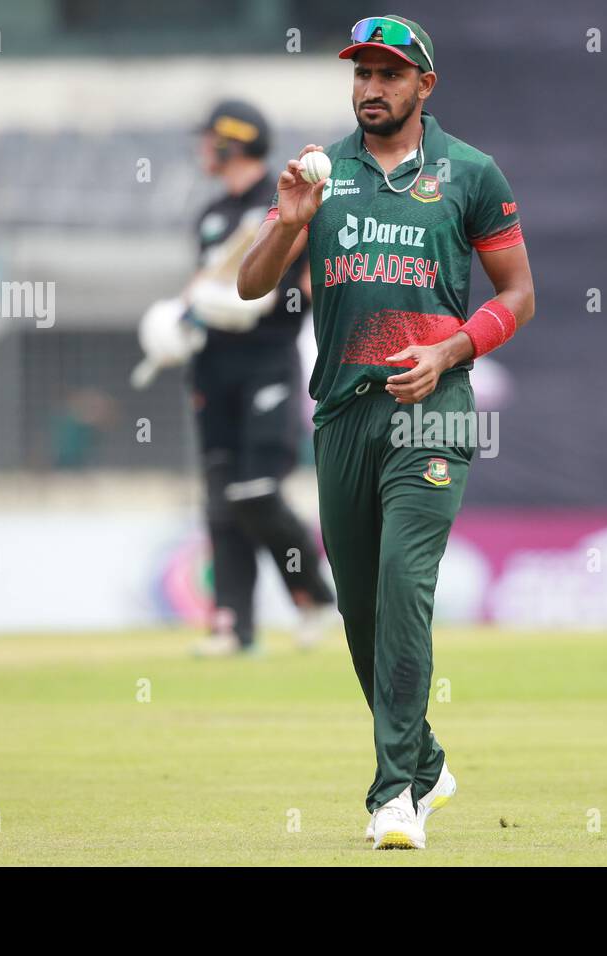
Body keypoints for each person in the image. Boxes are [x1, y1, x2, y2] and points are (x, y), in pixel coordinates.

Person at [237, 15, 536, 849]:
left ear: (423, 86)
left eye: (390, 74)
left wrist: (450, 351)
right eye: (362, 73)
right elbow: (251, 284)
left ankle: (395, 795)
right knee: (363, 612)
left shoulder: (471, 173)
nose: (372, 87)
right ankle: (429, 759)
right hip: (341, 414)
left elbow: (517, 296)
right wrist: (288, 219)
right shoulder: (319, 173)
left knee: (405, 587)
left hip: (431, 410)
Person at [186, 99, 336, 656]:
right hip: (213, 366)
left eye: (209, 139)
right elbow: (202, 284)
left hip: (268, 358)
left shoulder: (282, 203)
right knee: (221, 498)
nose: (202, 148)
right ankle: (233, 626)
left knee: (256, 491)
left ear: (233, 141)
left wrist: (266, 301)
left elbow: (309, 282)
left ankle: (314, 593)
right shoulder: (209, 214)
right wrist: (184, 319)